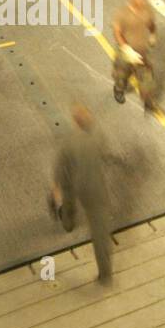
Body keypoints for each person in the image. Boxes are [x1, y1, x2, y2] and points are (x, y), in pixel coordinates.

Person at [50, 104, 114, 284]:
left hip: (73, 184)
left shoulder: (69, 142)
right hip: (95, 187)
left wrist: (56, 191)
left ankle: (68, 222)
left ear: (75, 123)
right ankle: (105, 274)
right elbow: (105, 155)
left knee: (68, 199)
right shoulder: (99, 136)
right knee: (100, 232)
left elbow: (58, 168)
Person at [112, 0, 156, 110]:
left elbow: (151, 23)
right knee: (121, 76)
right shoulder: (122, 13)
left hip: (142, 52)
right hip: (126, 52)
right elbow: (117, 32)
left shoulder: (148, 10)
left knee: (148, 80)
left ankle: (147, 101)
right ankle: (119, 90)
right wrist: (127, 49)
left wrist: (153, 34)